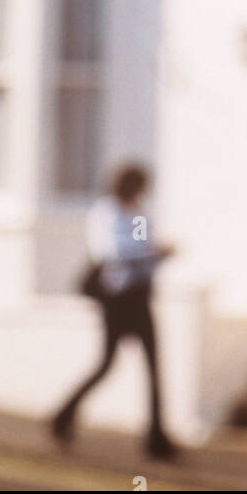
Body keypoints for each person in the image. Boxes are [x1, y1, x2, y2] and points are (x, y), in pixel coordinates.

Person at [51, 162, 177, 459]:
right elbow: (109, 252)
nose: (142, 192)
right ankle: (63, 415)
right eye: (139, 186)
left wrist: (160, 256)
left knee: (153, 367)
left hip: (140, 297)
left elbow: (144, 254)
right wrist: (151, 252)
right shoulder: (105, 213)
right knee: (106, 365)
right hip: (117, 301)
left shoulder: (138, 214)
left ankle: (156, 438)